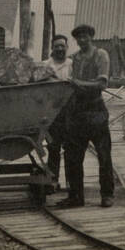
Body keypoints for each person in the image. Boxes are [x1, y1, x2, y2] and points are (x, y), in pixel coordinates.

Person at [58, 24, 114, 208]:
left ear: (91, 37)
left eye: (85, 37)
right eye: (79, 37)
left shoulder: (101, 55)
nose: (82, 40)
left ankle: (107, 195)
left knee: (104, 156)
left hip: (96, 110)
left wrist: (77, 83)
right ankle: (76, 196)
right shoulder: (72, 59)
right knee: (73, 157)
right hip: (76, 113)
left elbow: (101, 84)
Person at [41, 34, 74, 193]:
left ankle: (71, 181)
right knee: (53, 147)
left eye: (62, 46)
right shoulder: (45, 65)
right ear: (52, 48)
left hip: (69, 111)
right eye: (57, 46)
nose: (60, 49)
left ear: (67, 48)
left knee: (71, 148)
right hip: (51, 112)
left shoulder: (72, 65)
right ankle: (52, 180)